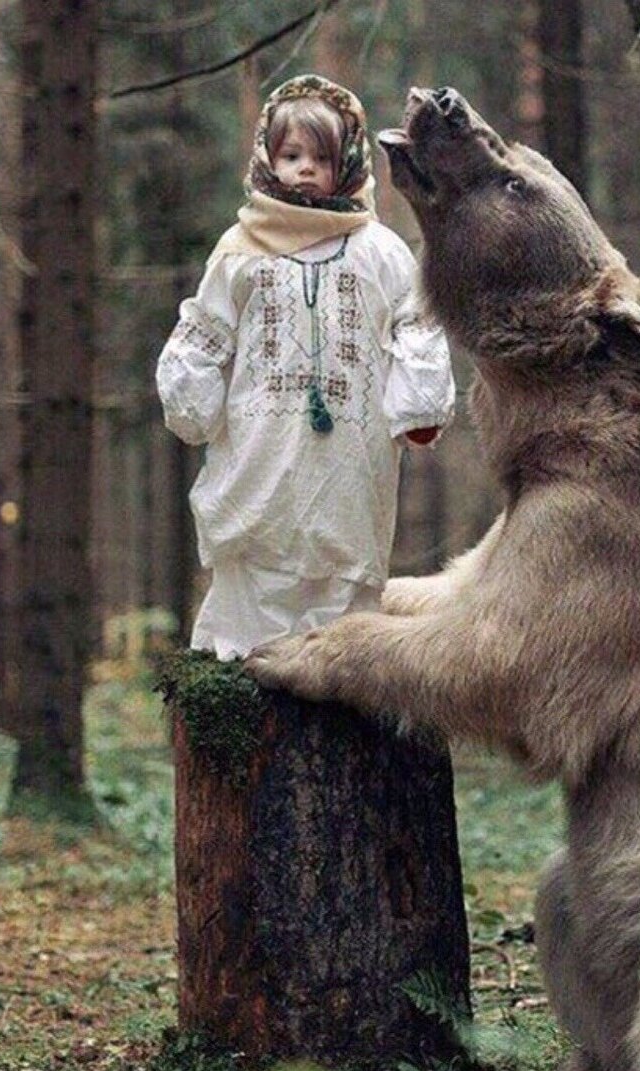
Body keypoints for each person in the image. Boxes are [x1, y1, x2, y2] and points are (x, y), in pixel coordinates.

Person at [157, 75, 455, 661]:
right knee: (258, 549)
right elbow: (206, 332)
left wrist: (417, 406)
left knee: (342, 556)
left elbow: (415, 323)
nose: (304, 170)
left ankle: (341, 665)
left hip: (351, 448)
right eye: (291, 155)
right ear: (269, 157)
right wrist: (191, 397)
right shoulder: (239, 249)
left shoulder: (381, 250)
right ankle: (245, 664)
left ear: (345, 162)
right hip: (258, 445)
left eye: (320, 157)